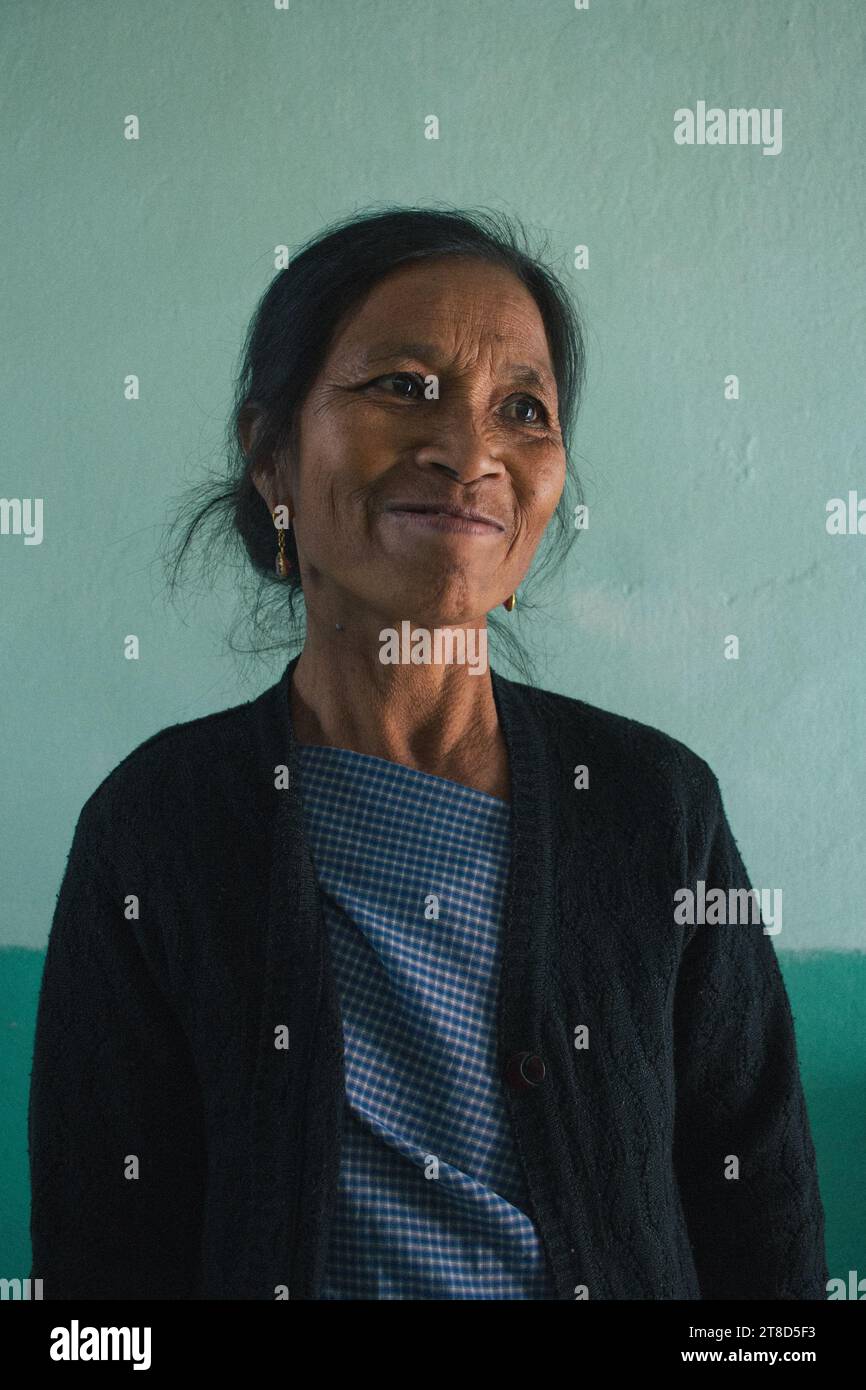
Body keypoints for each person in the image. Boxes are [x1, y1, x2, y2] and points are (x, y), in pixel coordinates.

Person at [29, 206, 828, 1300]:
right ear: (271, 458)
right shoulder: (158, 825)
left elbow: (757, 1213)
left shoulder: (653, 809)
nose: (468, 452)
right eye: (403, 386)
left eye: (522, 410)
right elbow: (105, 1259)